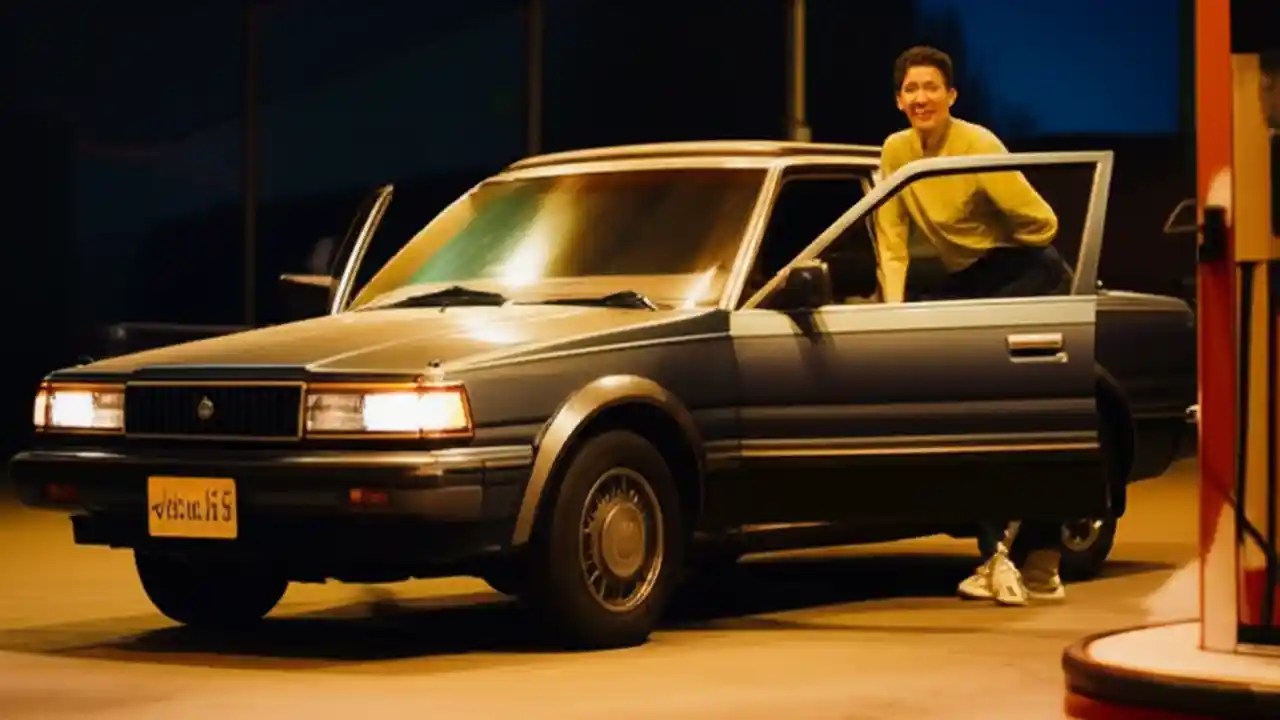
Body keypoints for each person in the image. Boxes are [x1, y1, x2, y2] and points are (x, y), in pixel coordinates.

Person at [873, 45, 1071, 605]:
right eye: (910, 89)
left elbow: (1043, 222)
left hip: (1026, 272)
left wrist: (994, 244)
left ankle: (1010, 560)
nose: (921, 98)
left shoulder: (978, 145)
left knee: (1010, 415)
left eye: (931, 87)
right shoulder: (895, 152)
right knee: (978, 416)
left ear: (951, 95)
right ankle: (1029, 561)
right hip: (969, 284)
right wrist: (893, 315)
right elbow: (891, 242)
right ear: (898, 100)